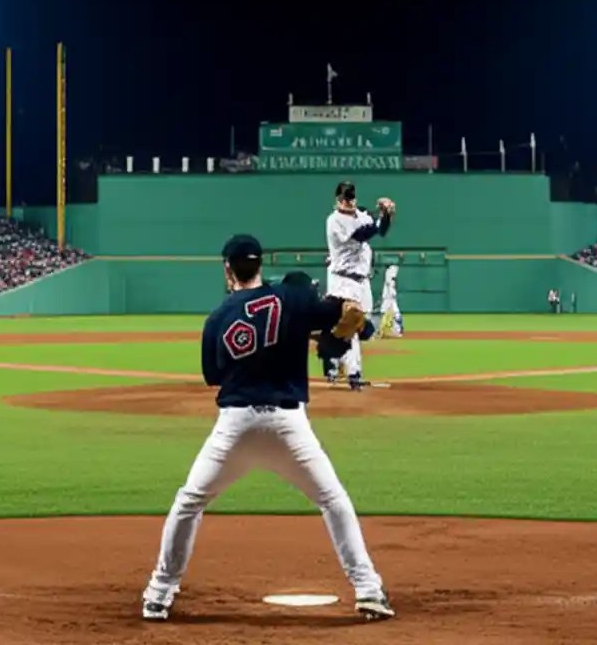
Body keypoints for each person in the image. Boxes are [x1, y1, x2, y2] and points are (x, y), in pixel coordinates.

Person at [141, 235, 393, 623]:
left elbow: (214, 377)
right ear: (260, 265)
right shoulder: (292, 299)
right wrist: (332, 339)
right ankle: (369, 590)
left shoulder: (217, 318)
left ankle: (159, 593)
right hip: (289, 425)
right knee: (333, 501)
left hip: (235, 427)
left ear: (228, 269)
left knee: (189, 502)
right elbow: (353, 313)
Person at [324, 180, 394, 390]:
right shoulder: (334, 220)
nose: (349, 200)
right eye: (345, 197)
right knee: (351, 325)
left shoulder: (360, 216)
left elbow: (380, 230)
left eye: (351, 197)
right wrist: (380, 214)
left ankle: (334, 360)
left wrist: (386, 214)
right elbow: (361, 234)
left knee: (360, 328)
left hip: (360, 282)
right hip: (342, 280)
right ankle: (351, 372)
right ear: (338, 200)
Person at [378, 265, 403, 338]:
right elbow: (390, 284)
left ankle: (382, 330)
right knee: (394, 313)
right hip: (388, 298)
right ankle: (394, 330)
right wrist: (393, 293)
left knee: (388, 314)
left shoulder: (389, 275)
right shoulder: (390, 275)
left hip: (388, 298)